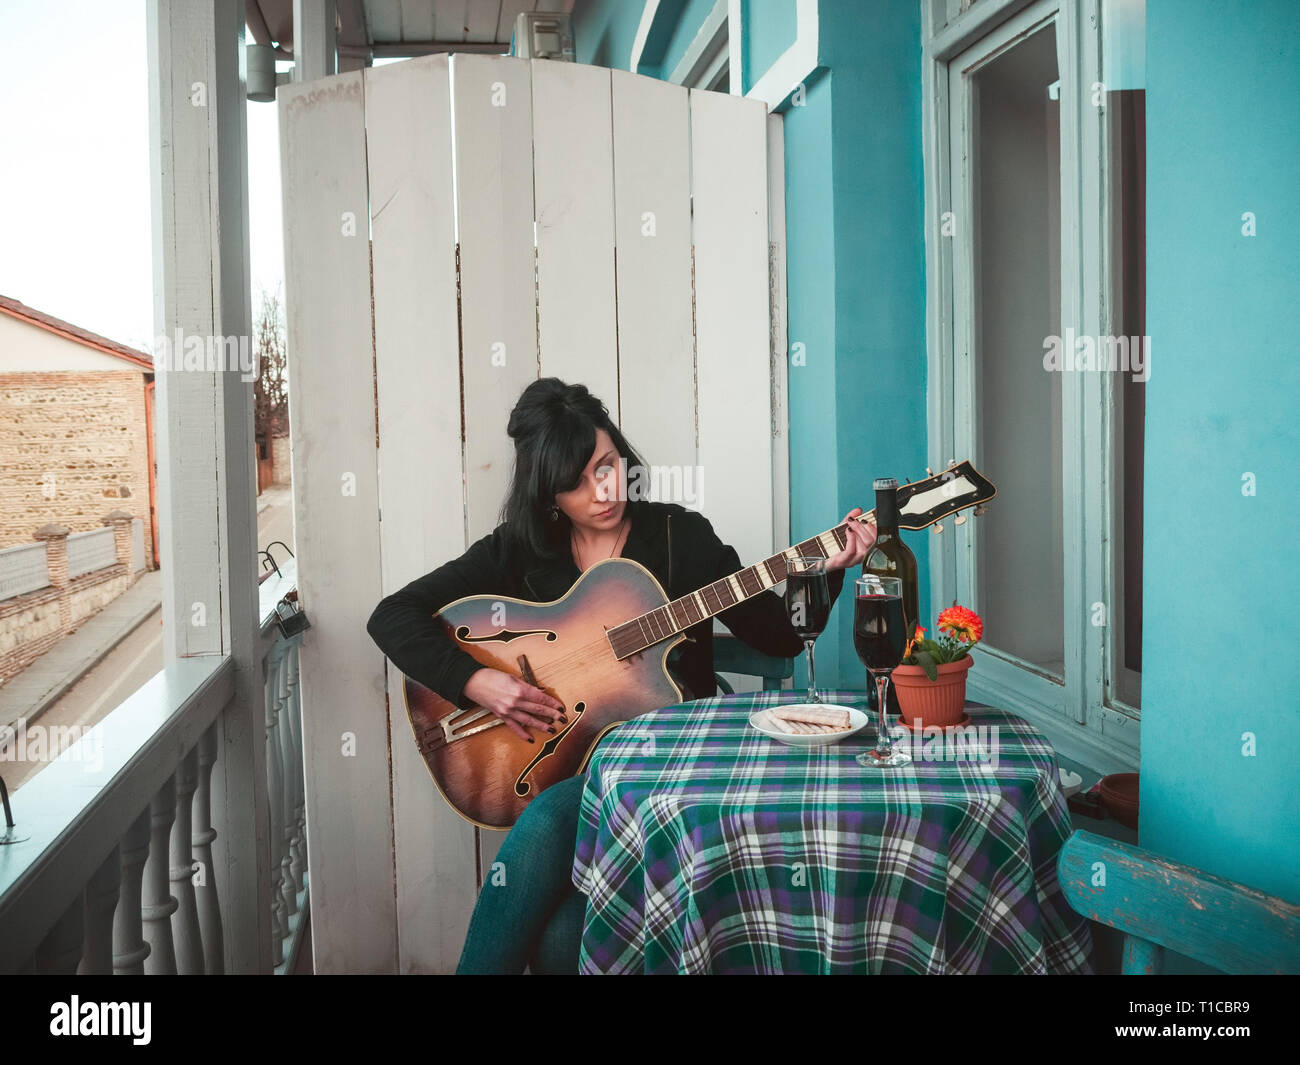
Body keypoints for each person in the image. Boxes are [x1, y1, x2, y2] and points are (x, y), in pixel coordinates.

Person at [365, 378, 875, 973]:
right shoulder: (522, 550)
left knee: (553, 818)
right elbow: (391, 616)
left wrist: (826, 572)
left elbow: (780, 637)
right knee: (560, 941)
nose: (602, 491)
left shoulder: (680, 537)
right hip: (577, 765)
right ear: (548, 496)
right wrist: (478, 682)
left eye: (607, 466)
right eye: (575, 483)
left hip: (674, 764)